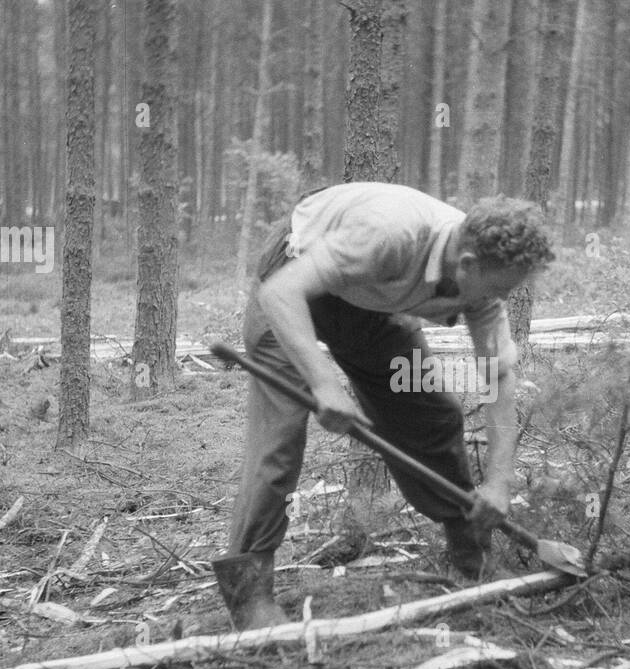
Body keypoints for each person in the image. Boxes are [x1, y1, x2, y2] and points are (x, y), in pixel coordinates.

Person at [213, 182, 554, 629]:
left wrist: (499, 483)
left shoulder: (482, 282)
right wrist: (324, 383)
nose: (503, 298)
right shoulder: (390, 235)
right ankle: (250, 591)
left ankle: (469, 550)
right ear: (467, 265)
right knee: (281, 434)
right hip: (293, 278)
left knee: (429, 411)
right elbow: (279, 294)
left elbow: (498, 378)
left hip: (366, 301)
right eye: (500, 288)